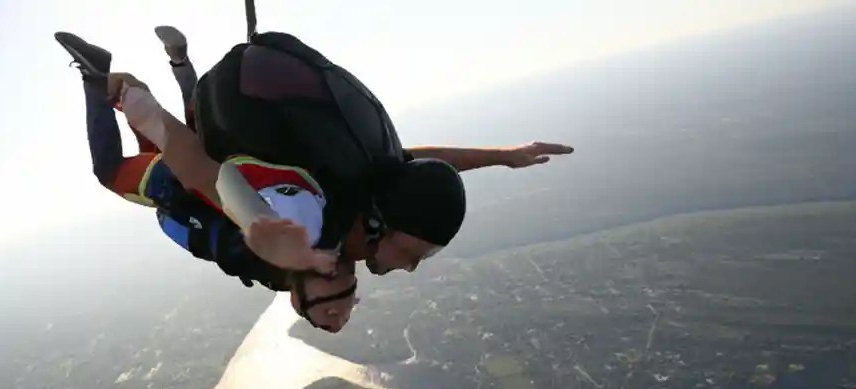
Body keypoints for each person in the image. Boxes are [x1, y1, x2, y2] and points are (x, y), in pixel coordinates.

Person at [191, 31, 576, 275]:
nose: (409, 268)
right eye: (412, 254)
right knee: (151, 189)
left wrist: (505, 157)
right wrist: (269, 236)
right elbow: (222, 178)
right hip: (223, 122)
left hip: (245, 86)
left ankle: (180, 70)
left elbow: (423, 165)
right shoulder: (321, 214)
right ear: (378, 224)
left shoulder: (377, 174)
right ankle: (173, 75)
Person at [56, 28, 358, 333]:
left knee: (187, 124)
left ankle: (175, 62)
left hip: (218, 167)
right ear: (296, 300)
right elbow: (214, 214)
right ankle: (96, 77)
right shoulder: (272, 256)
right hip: (181, 188)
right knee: (112, 170)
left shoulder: (334, 231)